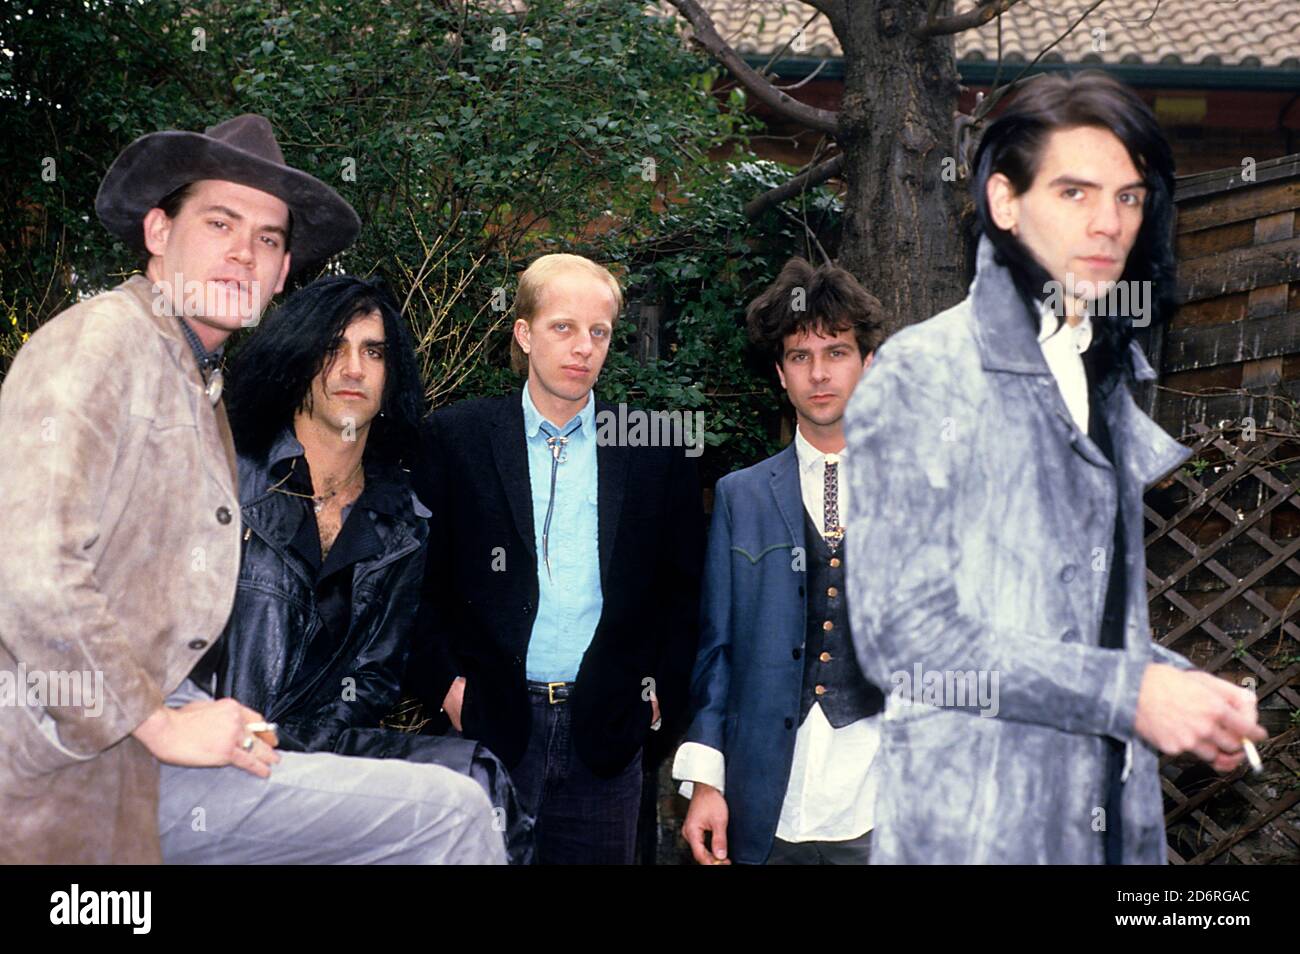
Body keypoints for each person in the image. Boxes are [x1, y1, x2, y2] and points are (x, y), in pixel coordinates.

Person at [0, 114, 496, 864]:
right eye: (220, 222)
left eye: (268, 238)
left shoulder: (193, 383)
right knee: (450, 813)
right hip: (75, 772)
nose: (244, 253)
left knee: (458, 791)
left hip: (148, 747)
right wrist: (162, 721)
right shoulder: (102, 345)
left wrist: (211, 717)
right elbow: (26, 566)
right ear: (159, 231)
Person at [842, 71, 1267, 864]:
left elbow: (1076, 621)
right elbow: (904, 640)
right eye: (1075, 193)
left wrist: (1184, 694)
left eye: (1130, 198)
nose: (1109, 222)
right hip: (972, 832)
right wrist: (1134, 694)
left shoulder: (1104, 370)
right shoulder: (922, 373)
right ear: (1005, 202)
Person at [157, 274, 525, 864]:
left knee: (480, 776)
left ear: (391, 375)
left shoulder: (403, 524)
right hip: (192, 755)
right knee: (452, 804)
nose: (353, 368)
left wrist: (297, 747)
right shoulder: (221, 476)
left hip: (302, 754)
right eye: (334, 347)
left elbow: (373, 681)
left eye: (372, 351)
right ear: (299, 361)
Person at [408, 253, 705, 864]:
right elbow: (418, 583)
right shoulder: (457, 437)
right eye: (563, 327)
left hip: (607, 730)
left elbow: (684, 590)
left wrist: (658, 694)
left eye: (599, 333)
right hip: (488, 724)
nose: (583, 348)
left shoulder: (652, 447)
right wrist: (447, 686)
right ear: (523, 332)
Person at [674, 258, 888, 865]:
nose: (820, 373)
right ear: (780, 373)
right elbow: (717, 650)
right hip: (769, 796)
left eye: (838, 352)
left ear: (867, 364)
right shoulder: (741, 495)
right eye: (800, 357)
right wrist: (707, 782)